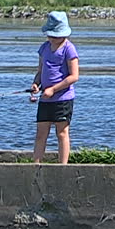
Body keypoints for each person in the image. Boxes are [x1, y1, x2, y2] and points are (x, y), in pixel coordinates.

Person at [31, 11, 80, 164]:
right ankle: (36, 166)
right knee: (41, 134)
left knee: (62, 133)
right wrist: (36, 84)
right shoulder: (44, 48)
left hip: (63, 98)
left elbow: (74, 76)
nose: (53, 38)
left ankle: (62, 167)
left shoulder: (69, 49)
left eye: (57, 35)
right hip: (45, 99)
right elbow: (40, 71)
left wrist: (53, 89)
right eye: (51, 35)